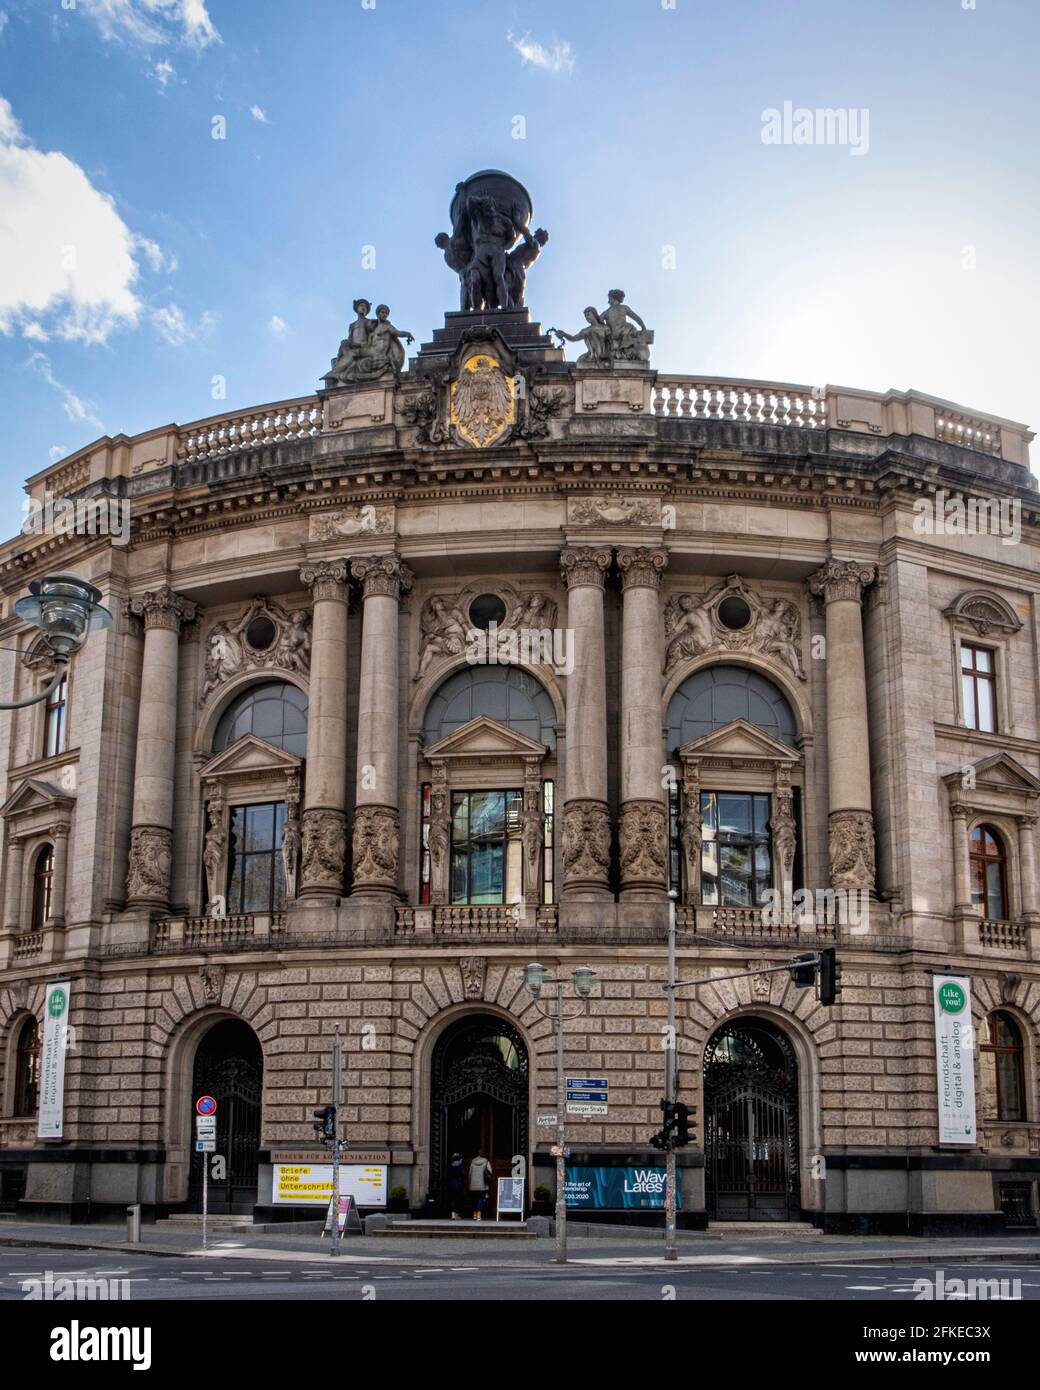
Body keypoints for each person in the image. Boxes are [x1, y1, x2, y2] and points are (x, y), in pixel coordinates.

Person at [468, 1150, 492, 1220]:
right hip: (482, 1185)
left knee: (474, 1200)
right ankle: (479, 1215)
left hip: (473, 1185)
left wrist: (470, 1183)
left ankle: (474, 1214)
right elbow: (490, 1172)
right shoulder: (486, 1161)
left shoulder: (473, 1161)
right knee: (480, 1199)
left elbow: (469, 1174)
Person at [448, 1152, 465, 1220]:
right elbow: (462, 1174)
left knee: (453, 1199)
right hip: (458, 1183)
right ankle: (457, 1214)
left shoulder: (451, 1165)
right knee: (458, 1199)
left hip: (451, 1183)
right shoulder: (460, 1166)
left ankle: (453, 1214)